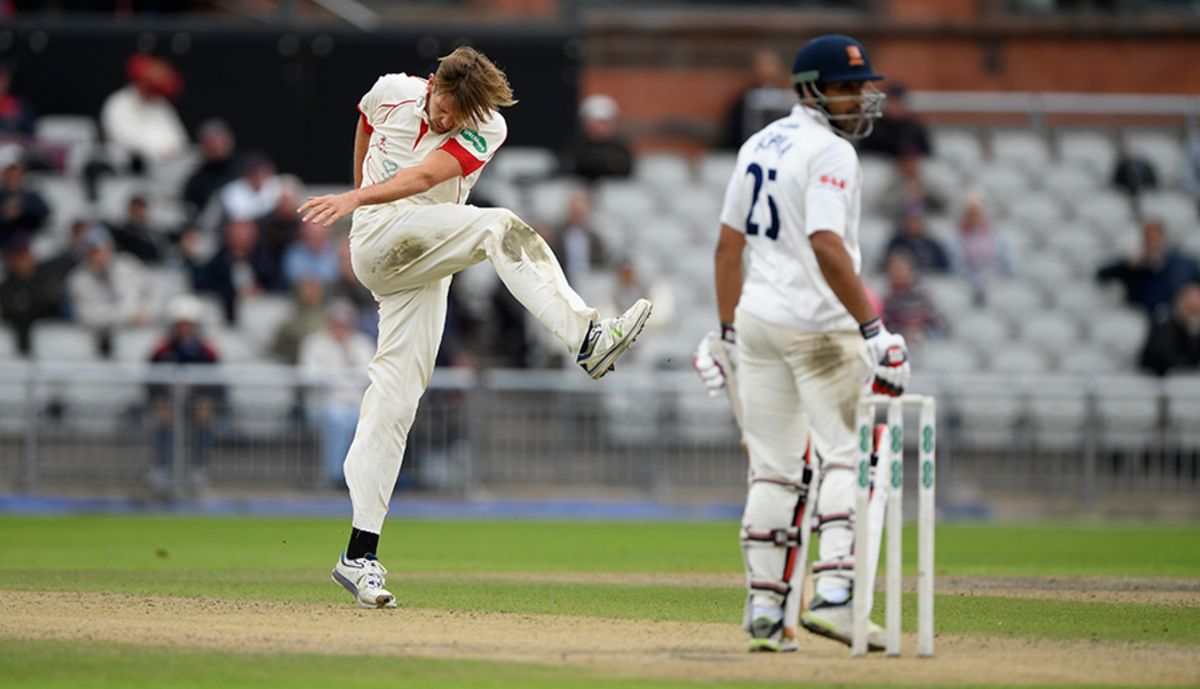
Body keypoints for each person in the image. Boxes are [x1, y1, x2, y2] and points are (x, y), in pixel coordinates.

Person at [296, 46, 651, 609]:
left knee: (396, 396)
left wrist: (355, 195)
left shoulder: (489, 124)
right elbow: (364, 122)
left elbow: (424, 177)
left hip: (423, 250)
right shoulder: (392, 88)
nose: (445, 121)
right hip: (381, 236)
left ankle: (358, 553)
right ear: (431, 82)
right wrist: (360, 200)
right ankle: (587, 338)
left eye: (457, 116)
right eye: (442, 108)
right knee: (500, 226)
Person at [691, 34, 909, 653]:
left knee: (775, 472)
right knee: (848, 457)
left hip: (760, 320)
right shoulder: (832, 153)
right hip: (818, 326)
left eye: (862, 85)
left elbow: (727, 247)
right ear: (811, 89)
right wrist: (874, 328)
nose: (860, 96)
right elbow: (825, 243)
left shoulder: (759, 142)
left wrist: (731, 333)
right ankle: (836, 597)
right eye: (845, 87)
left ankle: (765, 611)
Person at [146, 295, 221, 495]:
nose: (185, 329)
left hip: (196, 401)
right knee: (163, 413)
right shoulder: (163, 349)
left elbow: (217, 382)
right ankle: (162, 468)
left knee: (205, 413)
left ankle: (199, 469)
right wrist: (165, 396)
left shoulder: (207, 351)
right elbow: (151, 380)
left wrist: (199, 393)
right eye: (181, 324)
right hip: (169, 400)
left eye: (189, 324)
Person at [300, 300, 375, 487]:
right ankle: (335, 476)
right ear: (329, 323)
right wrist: (340, 378)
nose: (341, 328)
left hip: (356, 405)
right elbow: (309, 376)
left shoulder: (362, 344)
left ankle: (366, 479)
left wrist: (346, 356)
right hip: (322, 405)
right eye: (337, 323)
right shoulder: (314, 344)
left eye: (345, 324)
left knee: (371, 420)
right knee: (337, 417)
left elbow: (370, 374)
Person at [67, 226, 158, 355]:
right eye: (95, 251)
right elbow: (88, 316)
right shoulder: (78, 279)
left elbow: (154, 293)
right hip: (99, 342)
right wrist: (129, 315)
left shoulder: (129, 265)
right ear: (87, 253)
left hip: (136, 334)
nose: (101, 256)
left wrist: (148, 312)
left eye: (105, 249)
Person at [100, 54, 188, 173]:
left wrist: (171, 152)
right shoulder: (118, 103)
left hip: (165, 170)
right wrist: (158, 152)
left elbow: (179, 138)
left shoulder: (162, 106)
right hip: (128, 170)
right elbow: (123, 139)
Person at [1097, 219, 1200, 317]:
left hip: (1173, 320)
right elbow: (1102, 274)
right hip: (1141, 317)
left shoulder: (1183, 264)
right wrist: (1125, 264)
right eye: (1149, 238)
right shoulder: (1134, 266)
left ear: (1163, 238)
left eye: (1156, 237)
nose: (1153, 242)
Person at [195, 218, 283, 324]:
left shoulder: (265, 259)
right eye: (236, 236)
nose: (241, 240)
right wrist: (233, 293)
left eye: (246, 237)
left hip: (260, 311)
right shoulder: (217, 262)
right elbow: (204, 286)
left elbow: (278, 284)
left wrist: (261, 289)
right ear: (228, 237)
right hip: (227, 315)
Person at [717, 50, 793, 151]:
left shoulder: (789, 100)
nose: (767, 71)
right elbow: (733, 132)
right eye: (763, 65)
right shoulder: (742, 101)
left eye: (770, 65)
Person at [0, 234, 63, 354]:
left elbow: (53, 307)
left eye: (26, 255)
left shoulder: (46, 281)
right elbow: (9, 310)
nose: (24, 260)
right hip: (18, 344)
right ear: (12, 259)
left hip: (49, 344)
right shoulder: (6, 286)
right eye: (20, 256)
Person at [949, 192, 1018, 300]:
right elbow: (956, 266)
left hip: (997, 282)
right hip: (968, 283)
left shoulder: (998, 237)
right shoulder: (957, 238)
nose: (974, 218)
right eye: (970, 213)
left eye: (977, 213)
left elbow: (1011, 265)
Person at [560, 94, 634, 183]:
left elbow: (625, 169)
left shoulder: (620, 146)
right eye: (598, 123)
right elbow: (570, 168)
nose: (601, 128)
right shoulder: (575, 145)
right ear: (586, 123)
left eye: (606, 123)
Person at [882, 252, 945, 345]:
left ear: (911, 272)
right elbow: (885, 329)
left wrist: (923, 333)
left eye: (901, 270)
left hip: (926, 342)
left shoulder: (923, 298)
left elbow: (939, 324)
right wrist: (905, 334)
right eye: (894, 270)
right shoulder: (886, 301)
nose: (897, 274)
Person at [856, 82, 930, 159]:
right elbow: (863, 155)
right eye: (892, 102)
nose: (895, 107)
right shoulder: (873, 127)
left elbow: (927, 153)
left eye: (898, 102)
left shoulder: (914, 128)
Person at [1140, 282, 1200, 376]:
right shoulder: (1163, 326)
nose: (1193, 315)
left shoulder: (1194, 331)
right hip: (1155, 381)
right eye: (1190, 308)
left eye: (1196, 310)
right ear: (1180, 304)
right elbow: (1169, 361)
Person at [183, 119, 239, 215]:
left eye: (217, 140)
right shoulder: (198, 180)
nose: (214, 146)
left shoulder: (246, 168)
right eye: (209, 142)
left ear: (228, 141)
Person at [550, 189, 607, 282]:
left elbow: (600, 264)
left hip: (589, 280)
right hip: (563, 279)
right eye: (574, 212)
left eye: (580, 212)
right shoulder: (557, 235)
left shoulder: (595, 238)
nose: (577, 215)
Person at [271, 277, 328, 365]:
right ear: (300, 290)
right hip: (290, 362)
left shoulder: (327, 316)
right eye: (309, 287)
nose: (312, 292)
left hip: (319, 363)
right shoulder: (289, 313)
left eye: (315, 288)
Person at [0, 147, 49, 248]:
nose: (14, 175)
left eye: (17, 171)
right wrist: (4, 213)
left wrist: (22, 205)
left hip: (31, 245)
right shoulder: (2, 195)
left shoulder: (31, 193)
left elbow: (45, 211)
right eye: (10, 171)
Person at [881, 209, 951, 274]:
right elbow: (885, 265)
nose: (913, 225)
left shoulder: (932, 244)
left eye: (917, 221)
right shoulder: (896, 243)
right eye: (911, 221)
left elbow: (944, 267)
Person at [109, 195, 167, 264]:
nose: (138, 214)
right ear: (130, 211)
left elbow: (161, 251)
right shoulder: (121, 233)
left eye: (140, 210)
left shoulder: (154, 232)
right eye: (135, 211)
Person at [282, 219, 339, 288]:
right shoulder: (293, 253)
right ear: (304, 233)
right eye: (311, 235)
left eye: (319, 237)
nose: (315, 240)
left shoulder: (337, 252)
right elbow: (294, 277)